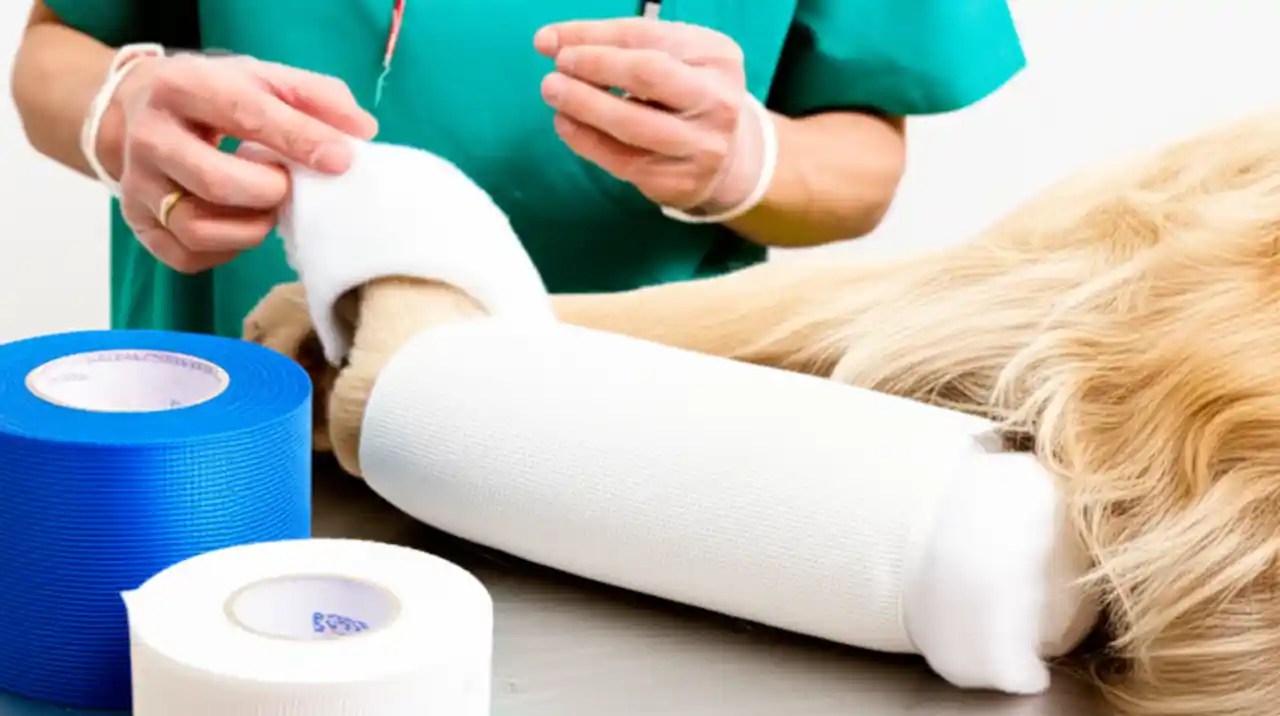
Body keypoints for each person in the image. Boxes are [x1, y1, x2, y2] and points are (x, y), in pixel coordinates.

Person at [11, 0, 1026, 340]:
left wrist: (748, 159)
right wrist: (118, 109)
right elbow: (52, 51)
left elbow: (861, 160)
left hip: (622, 427)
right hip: (243, 419)